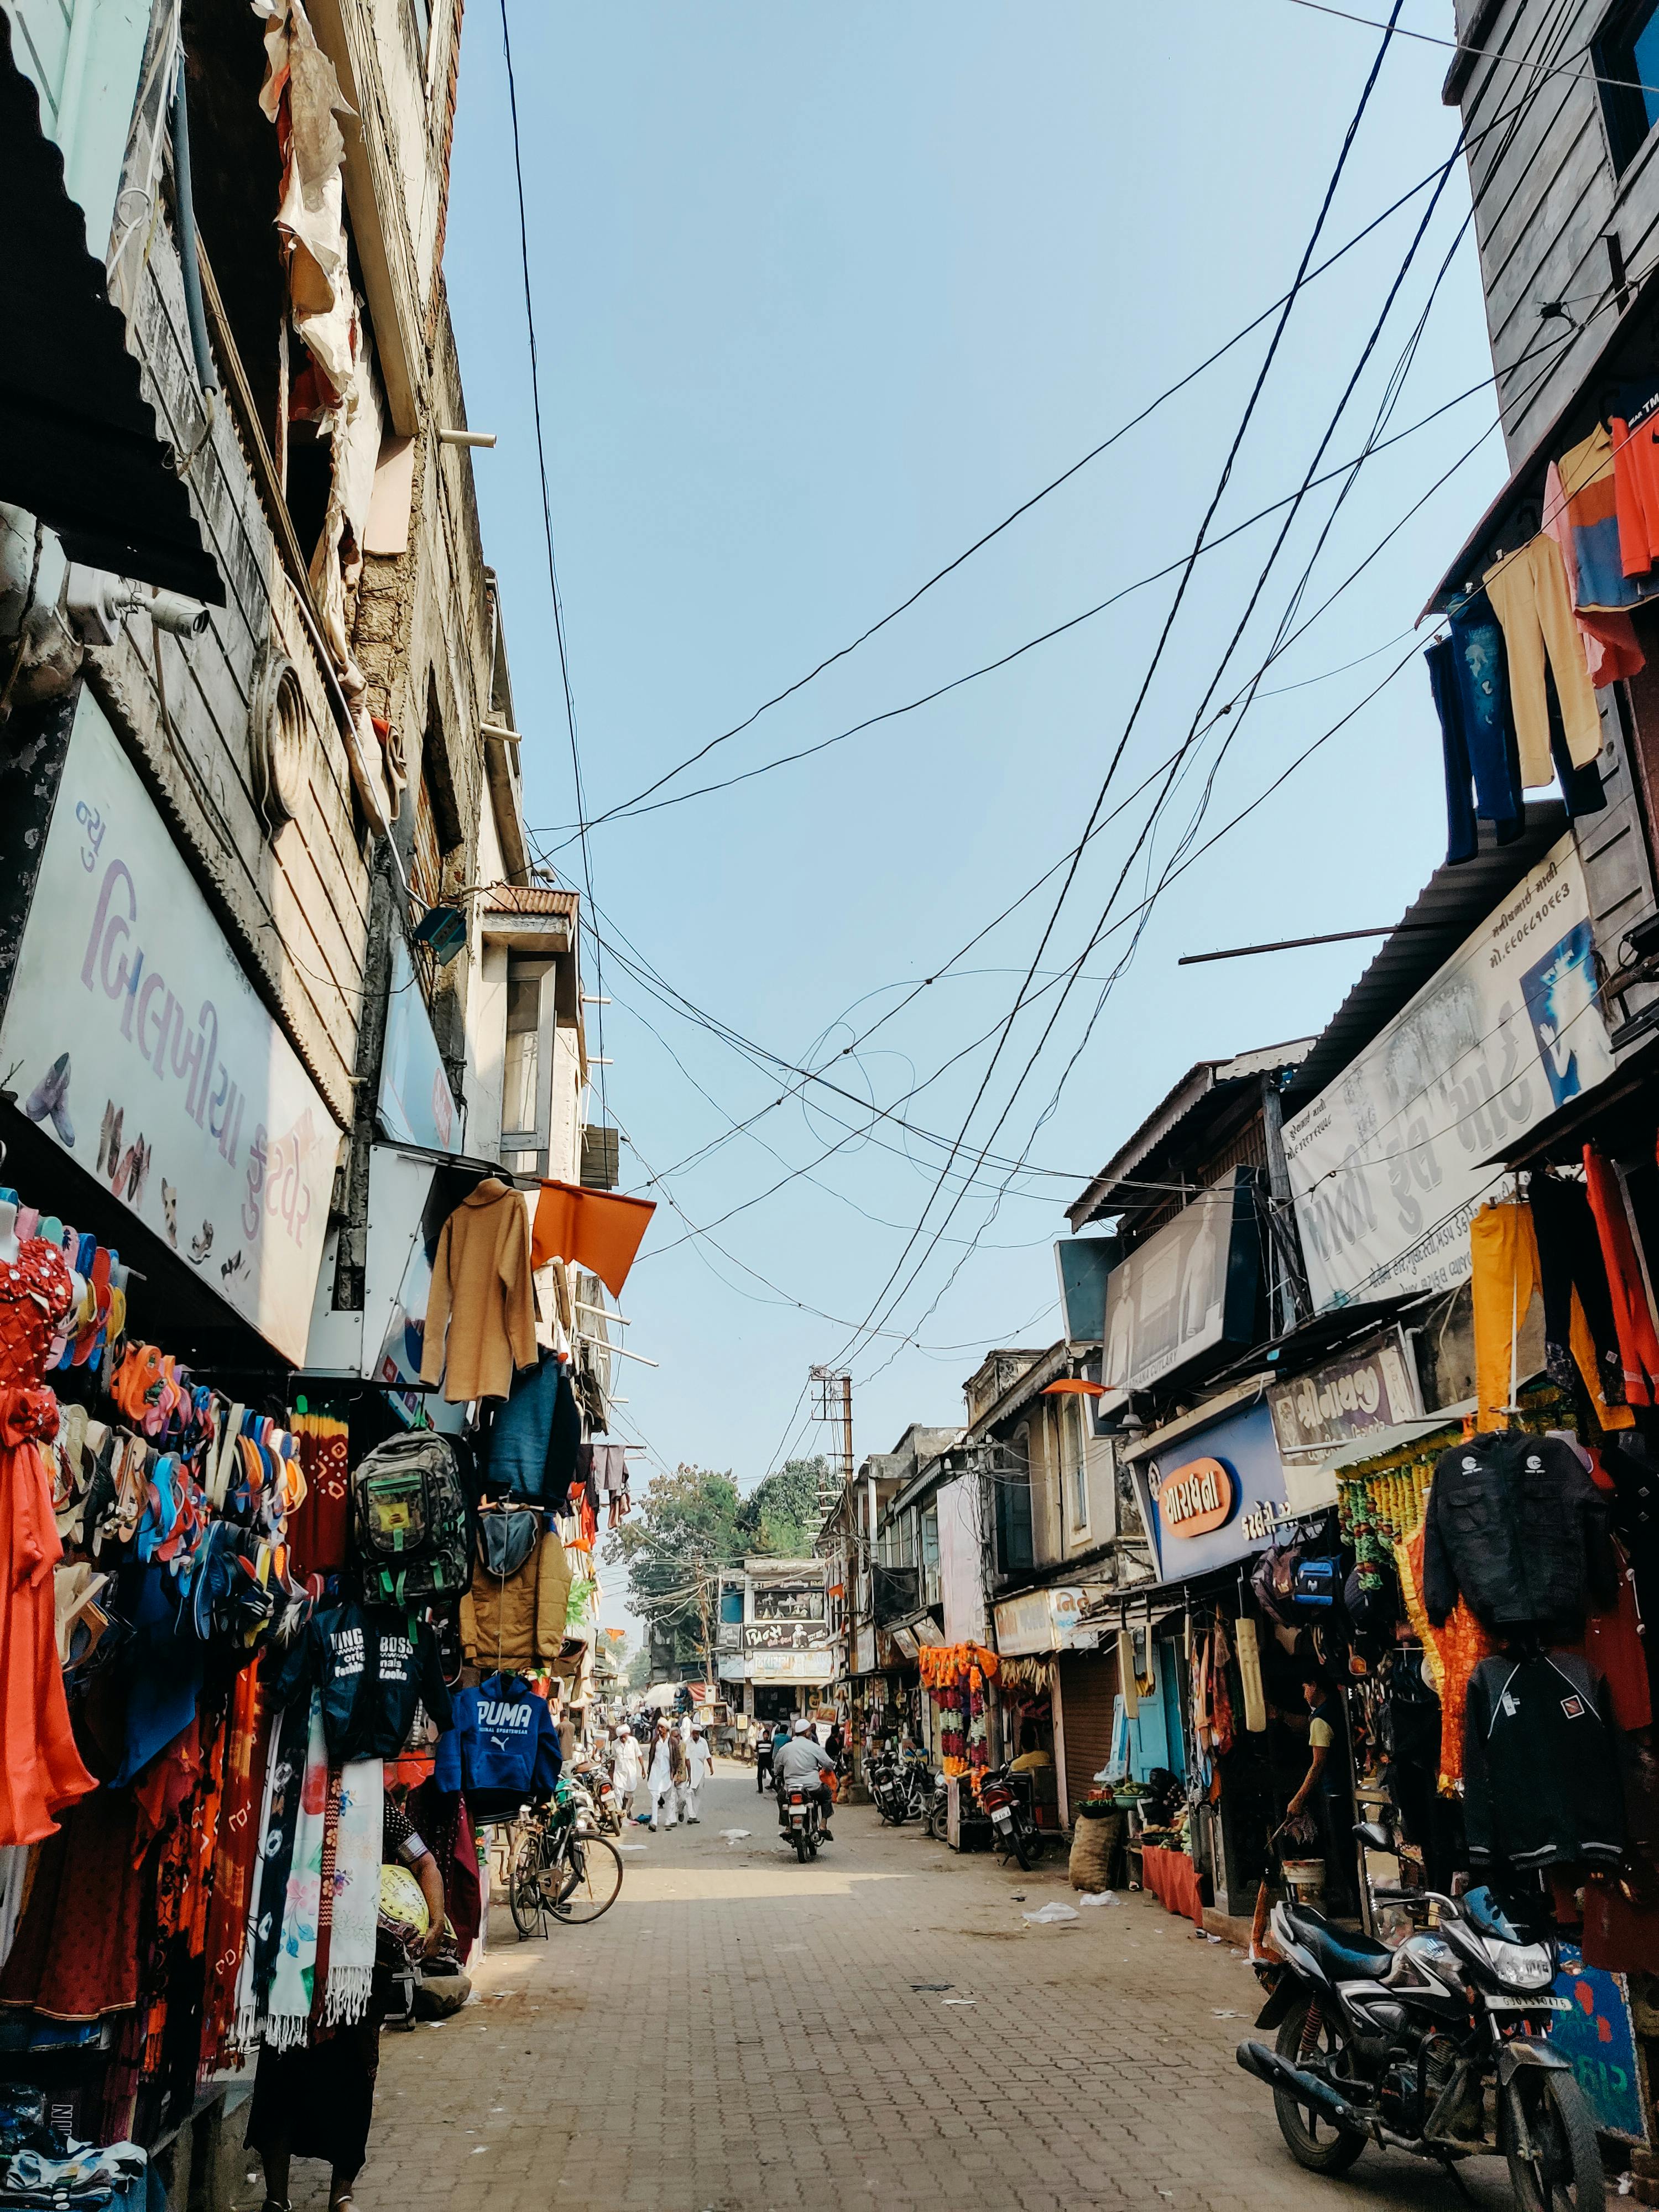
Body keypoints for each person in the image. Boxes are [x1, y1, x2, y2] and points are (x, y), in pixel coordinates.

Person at [249, 1793, 445, 2212]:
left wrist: (435, 1921)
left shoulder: (377, 1807)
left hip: (361, 1964)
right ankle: (276, 2198)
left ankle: (342, 2192)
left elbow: (424, 1861)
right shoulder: (286, 1789)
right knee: (282, 2065)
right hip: (293, 1957)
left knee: (355, 2070)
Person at [1286, 1671, 1356, 1914]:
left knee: (1343, 1852)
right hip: (1350, 1790)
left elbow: (1317, 1765)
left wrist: (1298, 1799)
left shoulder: (1321, 1720)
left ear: (1315, 1686)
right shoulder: (1337, 1707)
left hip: (1335, 1794)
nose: (1304, 1693)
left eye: (1306, 1687)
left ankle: (1354, 1906)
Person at [771, 1717, 836, 1843]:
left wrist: (779, 1773)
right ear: (807, 1733)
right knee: (827, 1794)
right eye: (810, 1731)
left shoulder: (786, 1748)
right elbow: (828, 1764)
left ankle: (788, 1827)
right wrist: (827, 1768)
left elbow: (777, 1768)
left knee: (781, 1798)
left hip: (791, 1788)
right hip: (812, 1788)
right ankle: (823, 1826)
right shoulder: (814, 1747)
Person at [648, 1717, 687, 1830]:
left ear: (667, 1730)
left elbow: (679, 1759)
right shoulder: (655, 1742)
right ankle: (654, 1822)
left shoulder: (673, 1742)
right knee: (655, 1796)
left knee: (670, 1797)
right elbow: (651, 1756)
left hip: (668, 1773)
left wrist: (675, 1773)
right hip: (656, 1773)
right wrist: (649, 1771)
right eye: (659, 1727)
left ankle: (670, 1820)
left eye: (662, 1727)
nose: (659, 1729)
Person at [611, 1724, 647, 1825]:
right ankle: (620, 1816)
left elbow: (639, 1755)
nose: (622, 1739)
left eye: (624, 1737)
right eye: (621, 1737)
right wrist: (611, 1774)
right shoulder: (614, 1744)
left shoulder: (633, 1742)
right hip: (619, 1773)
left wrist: (643, 1769)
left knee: (630, 1795)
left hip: (631, 1773)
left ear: (627, 1735)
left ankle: (627, 1810)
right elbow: (613, 1759)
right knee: (619, 1794)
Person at [684, 1724, 712, 1822]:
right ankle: (691, 1815)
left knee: (698, 1794)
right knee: (688, 1793)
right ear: (692, 1733)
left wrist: (711, 1767)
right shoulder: (687, 1743)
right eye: (695, 1733)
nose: (696, 1735)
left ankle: (694, 1815)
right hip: (689, 1772)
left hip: (700, 1772)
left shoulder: (703, 1742)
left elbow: (708, 1756)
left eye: (698, 1733)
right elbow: (685, 1758)